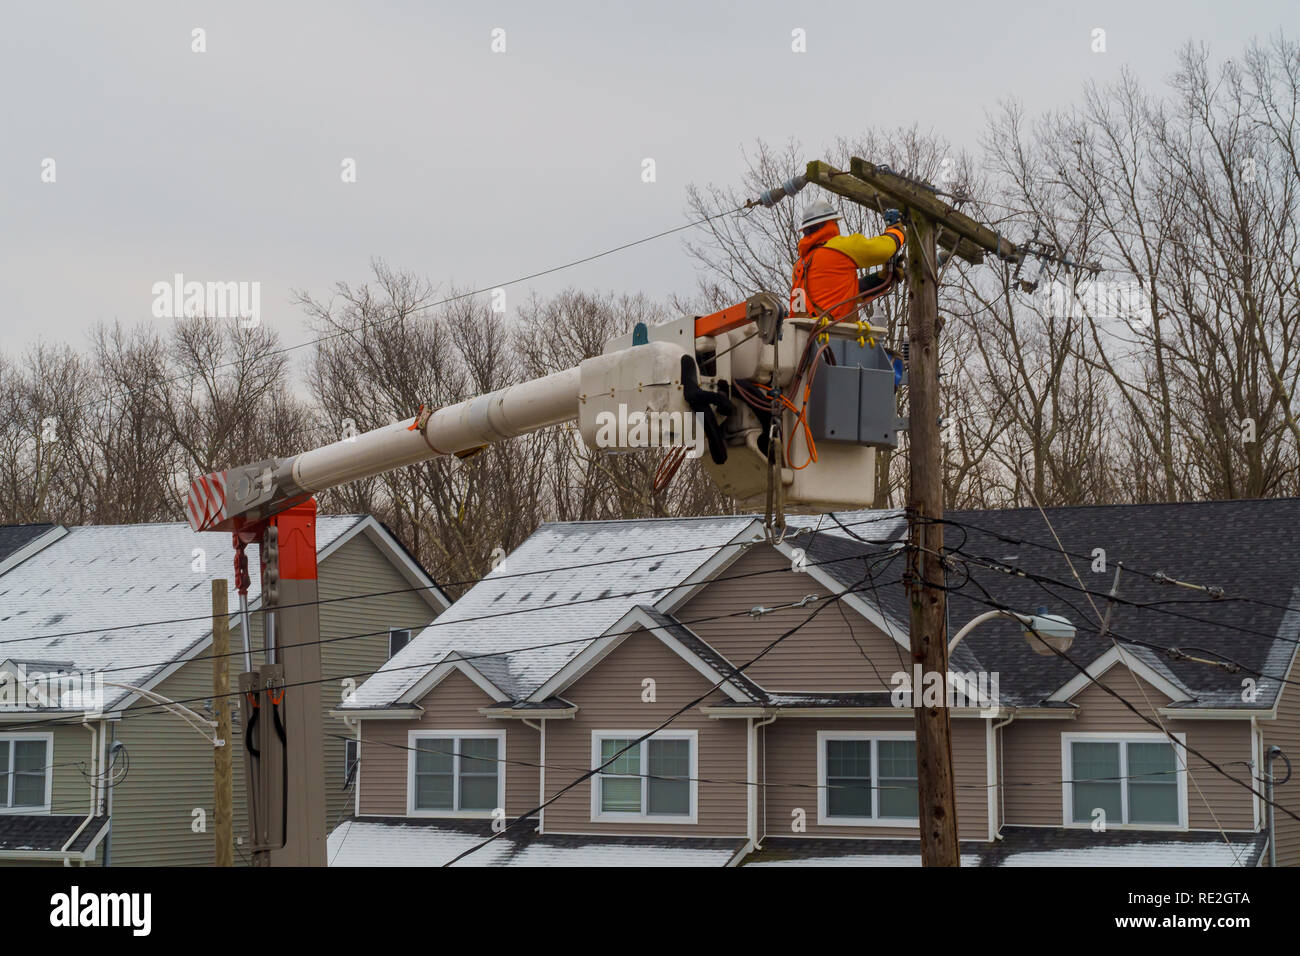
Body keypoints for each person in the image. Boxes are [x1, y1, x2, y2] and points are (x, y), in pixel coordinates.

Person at [790, 199, 906, 320]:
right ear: (830, 224)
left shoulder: (799, 265)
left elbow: (844, 295)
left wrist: (880, 279)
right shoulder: (838, 247)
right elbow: (884, 249)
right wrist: (896, 230)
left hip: (800, 334)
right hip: (831, 335)